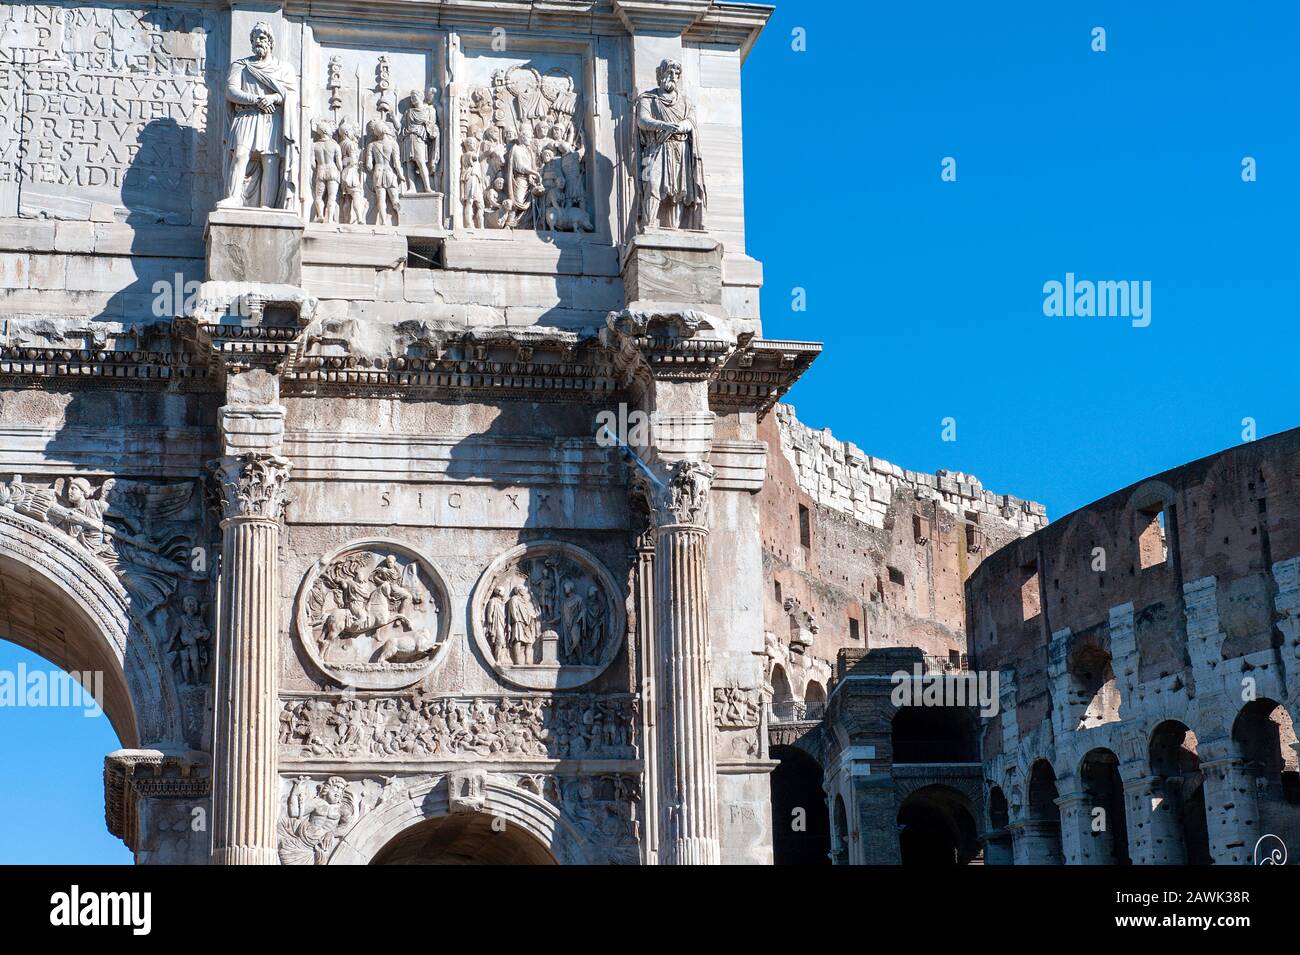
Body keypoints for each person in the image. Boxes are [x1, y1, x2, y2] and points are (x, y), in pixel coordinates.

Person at [219, 22, 300, 209]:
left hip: (272, 119)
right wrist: (256, 99)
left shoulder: (284, 68)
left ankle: (267, 206)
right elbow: (230, 91)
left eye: (262, 38)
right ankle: (233, 198)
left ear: (270, 41)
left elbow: (292, 95)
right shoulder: (241, 65)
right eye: (254, 39)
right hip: (246, 116)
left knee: (270, 161)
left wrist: (272, 98)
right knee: (239, 155)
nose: (258, 42)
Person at [636, 58, 706, 230]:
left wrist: (678, 127)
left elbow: (691, 122)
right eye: (670, 72)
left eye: (676, 73)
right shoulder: (648, 98)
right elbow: (642, 120)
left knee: (678, 191)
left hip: (680, 148)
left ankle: (675, 230)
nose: (674, 76)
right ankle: (648, 226)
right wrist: (664, 125)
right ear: (660, 75)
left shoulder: (685, 101)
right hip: (655, 149)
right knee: (652, 185)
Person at [364, 118, 404, 225]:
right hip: (389, 172)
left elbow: (369, 166)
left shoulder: (371, 145)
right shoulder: (393, 144)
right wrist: (401, 175)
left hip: (378, 172)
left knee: (381, 199)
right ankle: (400, 220)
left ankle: (383, 222)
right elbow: (397, 163)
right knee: (395, 199)